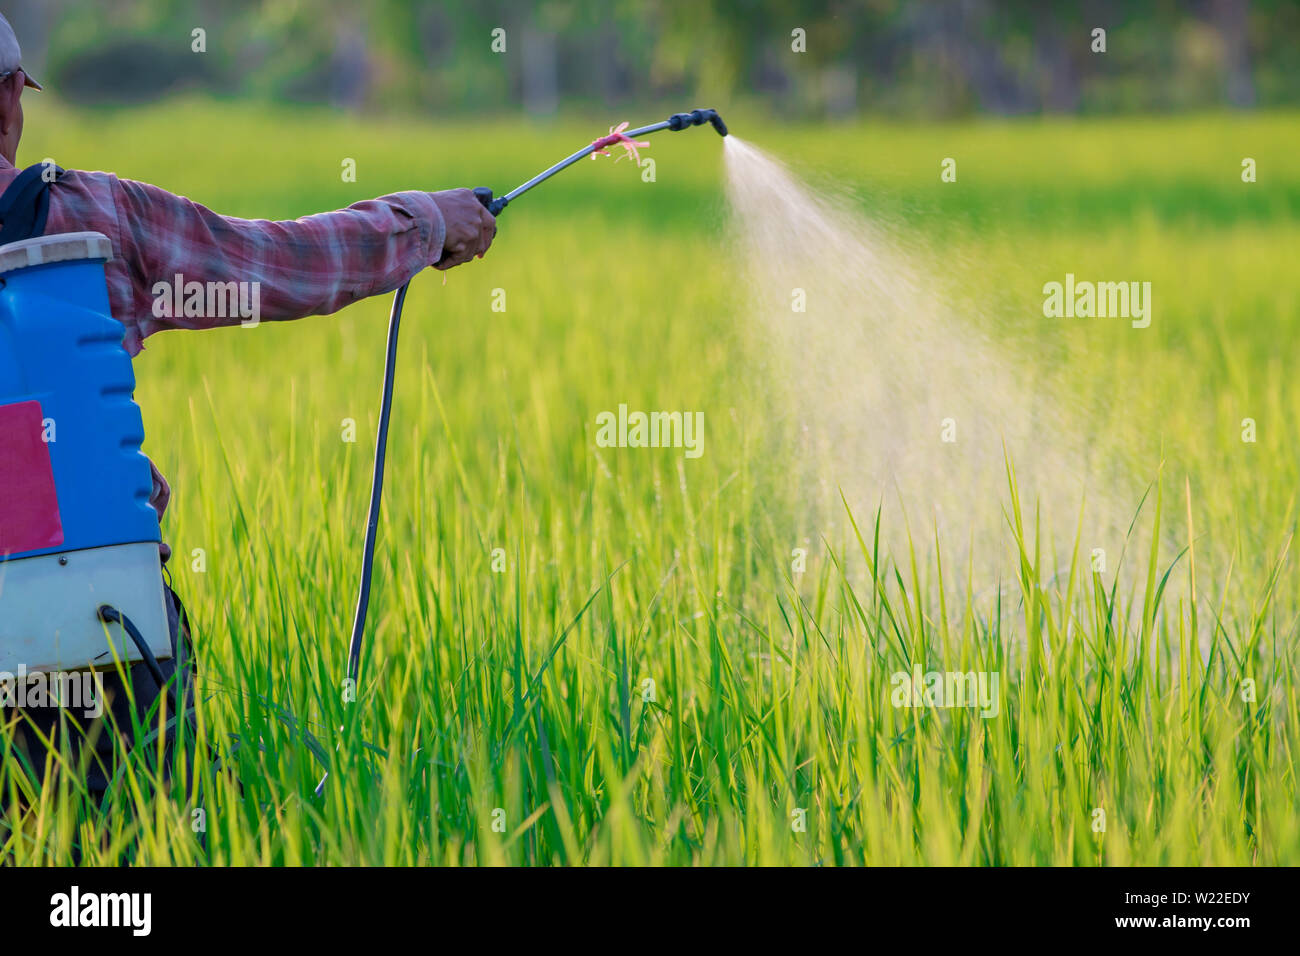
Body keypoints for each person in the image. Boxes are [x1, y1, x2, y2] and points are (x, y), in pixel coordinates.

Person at [0, 13, 495, 803]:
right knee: (155, 827)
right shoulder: (94, 219)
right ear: (9, 102)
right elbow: (283, 262)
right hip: (105, 624)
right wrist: (426, 223)